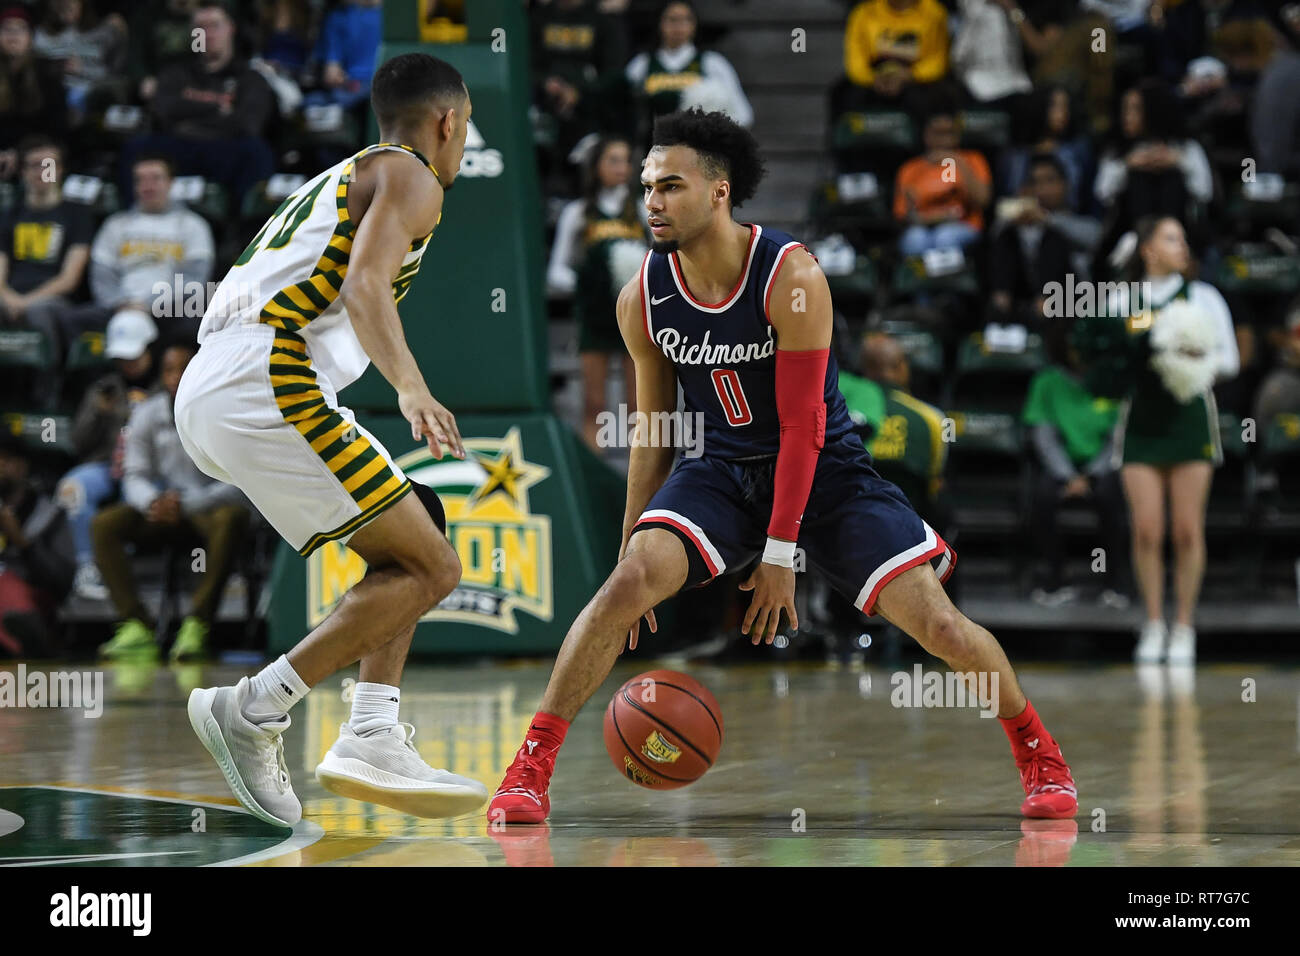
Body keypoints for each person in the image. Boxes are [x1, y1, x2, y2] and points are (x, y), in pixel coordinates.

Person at [488, 108, 1077, 825]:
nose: (651, 202)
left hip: (827, 472)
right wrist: (630, 559)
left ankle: (1039, 754)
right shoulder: (641, 296)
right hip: (724, 471)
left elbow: (804, 426)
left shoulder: (791, 275)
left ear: (718, 192)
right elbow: (653, 431)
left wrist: (779, 553)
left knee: (942, 629)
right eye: (647, 186)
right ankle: (530, 770)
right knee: (626, 584)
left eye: (670, 186)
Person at [176, 53, 487, 828]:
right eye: (466, 126)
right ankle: (255, 707)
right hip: (265, 375)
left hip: (224, 379)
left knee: (419, 531)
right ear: (448, 121)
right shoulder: (412, 174)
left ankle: (372, 731)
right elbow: (363, 285)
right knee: (435, 568)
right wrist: (411, 387)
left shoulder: (348, 172)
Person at [1111, 216, 1238, 663]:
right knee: (1147, 529)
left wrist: (1187, 361)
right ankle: (1152, 624)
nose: (1182, 246)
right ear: (1147, 248)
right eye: (1171, 238)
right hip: (1140, 422)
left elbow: (1231, 360)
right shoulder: (1122, 299)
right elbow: (1106, 361)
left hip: (1190, 419)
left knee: (1187, 530)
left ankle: (1184, 626)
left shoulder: (1205, 297)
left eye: (1183, 239)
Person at [93, 341, 250, 662]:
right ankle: (137, 625)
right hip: (162, 509)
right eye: (169, 370)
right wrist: (153, 502)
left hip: (208, 508)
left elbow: (240, 478)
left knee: (233, 517)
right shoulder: (147, 414)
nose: (176, 377)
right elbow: (134, 473)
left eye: (183, 369)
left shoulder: (222, 410)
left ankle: (197, 623)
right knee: (104, 524)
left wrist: (186, 504)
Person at [119, 2, 275, 212]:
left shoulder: (250, 78)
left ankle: (246, 231)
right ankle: (132, 219)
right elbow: (164, 112)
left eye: (214, 26)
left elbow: (247, 124)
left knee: (257, 151)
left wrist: (189, 114)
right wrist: (218, 109)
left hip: (224, 149)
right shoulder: (175, 73)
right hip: (179, 147)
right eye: (200, 28)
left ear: (231, 28)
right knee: (136, 146)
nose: (207, 34)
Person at [546, 136, 648, 451]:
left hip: (634, 319)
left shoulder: (642, 210)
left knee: (639, 406)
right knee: (594, 405)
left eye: (625, 161)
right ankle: (595, 477)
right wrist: (590, 283)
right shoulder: (578, 213)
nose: (621, 168)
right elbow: (556, 271)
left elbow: (665, 261)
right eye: (613, 161)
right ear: (596, 166)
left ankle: (643, 486)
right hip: (595, 317)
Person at [1021, 323, 1128, 608]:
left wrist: (1091, 475)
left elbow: (1117, 438)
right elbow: (1044, 438)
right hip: (1061, 467)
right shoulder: (1047, 382)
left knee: (1110, 497)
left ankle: (1114, 582)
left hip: (1104, 466)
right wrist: (1069, 477)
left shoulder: (1112, 382)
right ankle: (1056, 578)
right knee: (1042, 498)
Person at [57, 308, 159, 601]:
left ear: (149, 348)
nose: (127, 364)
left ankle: (119, 566)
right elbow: (78, 443)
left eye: (134, 357)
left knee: (134, 497)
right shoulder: (104, 389)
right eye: (121, 358)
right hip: (106, 467)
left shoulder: (166, 385)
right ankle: (87, 566)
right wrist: (97, 413)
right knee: (72, 488)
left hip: (151, 469)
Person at [91, 153, 215, 343]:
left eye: (156, 178)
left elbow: (195, 279)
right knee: (73, 319)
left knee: (198, 324)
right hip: (119, 306)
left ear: (171, 182)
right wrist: (122, 304)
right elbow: (102, 275)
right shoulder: (115, 224)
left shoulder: (193, 225)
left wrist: (150, 304)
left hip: (169, 310)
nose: (148, 186)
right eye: (140, 180)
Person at [0, 136, 94, 365]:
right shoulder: (9, 214)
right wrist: (10, 299)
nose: (42, 171)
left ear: (60, 170)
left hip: (55, 300)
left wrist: (26, 302)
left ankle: (49, 388)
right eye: (34, 165)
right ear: (22, 172)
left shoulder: (77, 214)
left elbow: (69, 278)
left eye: (49, 165)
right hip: (10, 297)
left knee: (39, 312)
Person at [0, 430, 75, 658]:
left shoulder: (50, 514)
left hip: (33, 599)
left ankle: (27, 640)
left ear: (23, 466)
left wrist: (23, 543)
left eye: (6, 460)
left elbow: (62, 582)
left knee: (8, 585)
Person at [625, 1, 753, 133]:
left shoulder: (713, 63)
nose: (679, 27)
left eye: (686, 20)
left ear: (694, 24)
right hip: (652, 148)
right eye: (672, 20)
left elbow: (742, 115)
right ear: (659, 23)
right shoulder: (642, 64)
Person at [893, 108, 992, 256]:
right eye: (938, 133)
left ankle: (946, 279)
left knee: (944, 237)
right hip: (922, 227)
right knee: (915, 240)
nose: (944, 140)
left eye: (949, 133)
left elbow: (983, 201)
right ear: (926, 135)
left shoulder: (973, 159)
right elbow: (902, 215)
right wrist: (930, 219)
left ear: (957, 136)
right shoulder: (910, 168)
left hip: (963, 225)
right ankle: (920, 279)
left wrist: (958, 161)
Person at [0, 5, 68, 181]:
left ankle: (50, 205)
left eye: (20, 29)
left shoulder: (46, 75)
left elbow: (57, 129)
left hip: (38, 151)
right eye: (7, 29)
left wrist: (20, 153)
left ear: (30, 36)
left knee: (50, 163)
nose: (13, 35)